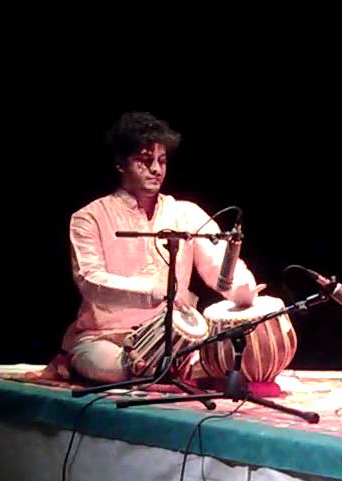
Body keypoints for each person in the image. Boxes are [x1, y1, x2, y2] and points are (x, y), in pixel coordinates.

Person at [61, 112, 261, 383]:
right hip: (107, 337)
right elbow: (90, 281)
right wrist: (155, 291)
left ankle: (164, 368)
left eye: (162, 161)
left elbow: (219, 265)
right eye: (145, 161)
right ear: (120, 163)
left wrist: (241, 289)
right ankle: (151, 368)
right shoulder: (89, 217)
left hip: (176, 335)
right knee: (110, 366)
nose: (156, 169)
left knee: (235, 358)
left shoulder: (185, 213)